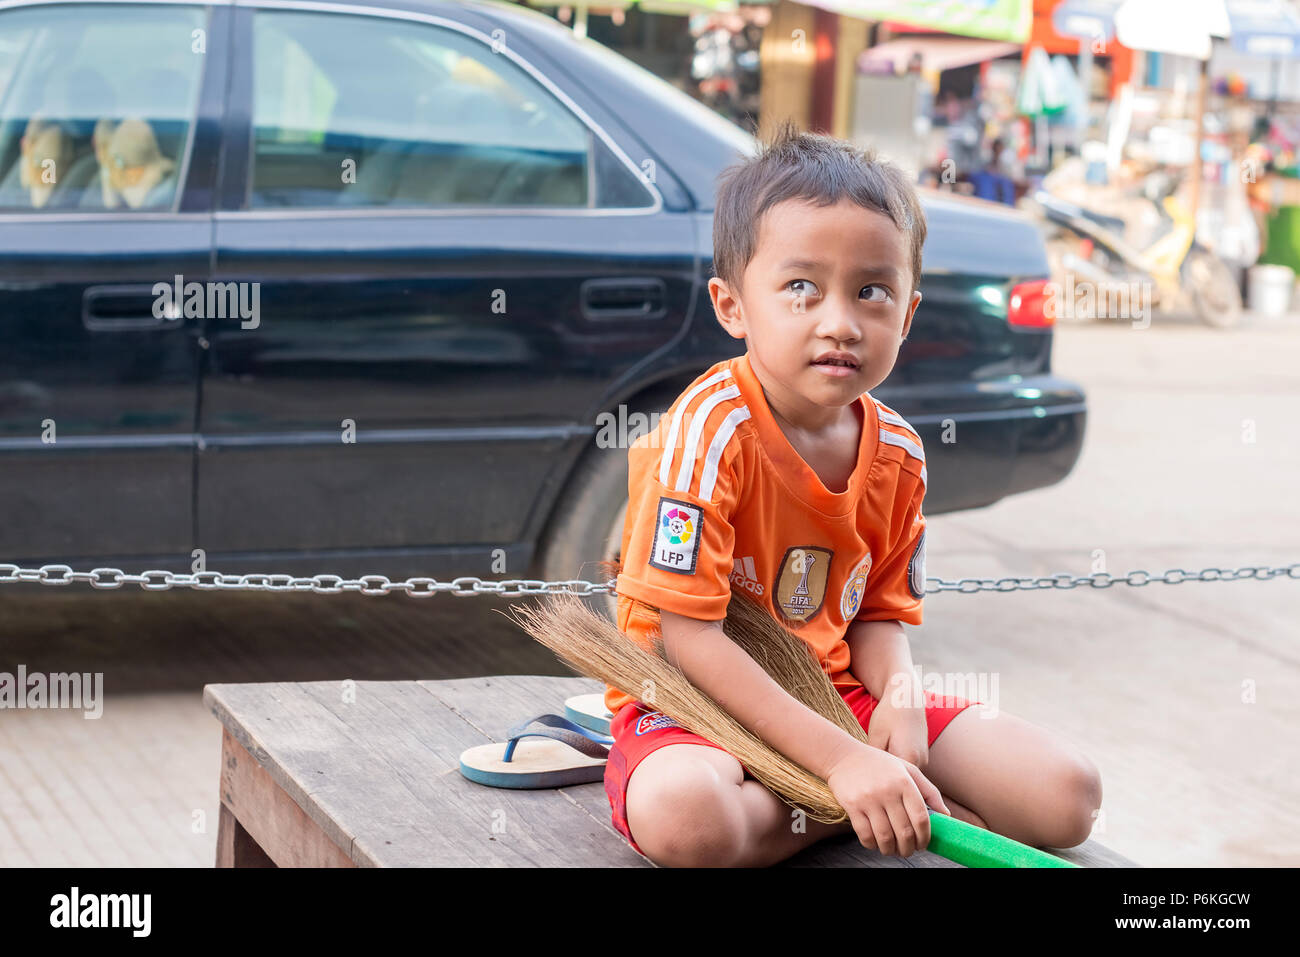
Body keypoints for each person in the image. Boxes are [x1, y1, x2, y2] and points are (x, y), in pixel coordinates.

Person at [601, 119, 1102, 868]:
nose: (840, 321)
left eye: (872, 290)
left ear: (907, 313)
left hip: (837, 695)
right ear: (733, 304)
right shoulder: (710, 428)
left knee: (1067, 794)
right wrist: (845, 763)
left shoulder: (897, 453)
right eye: (800, 287)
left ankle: (832, 801)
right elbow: (689, 637)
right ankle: (847, 807)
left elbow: (875, 613)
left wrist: (898, 695)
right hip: (694, 705)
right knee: (688, 819)